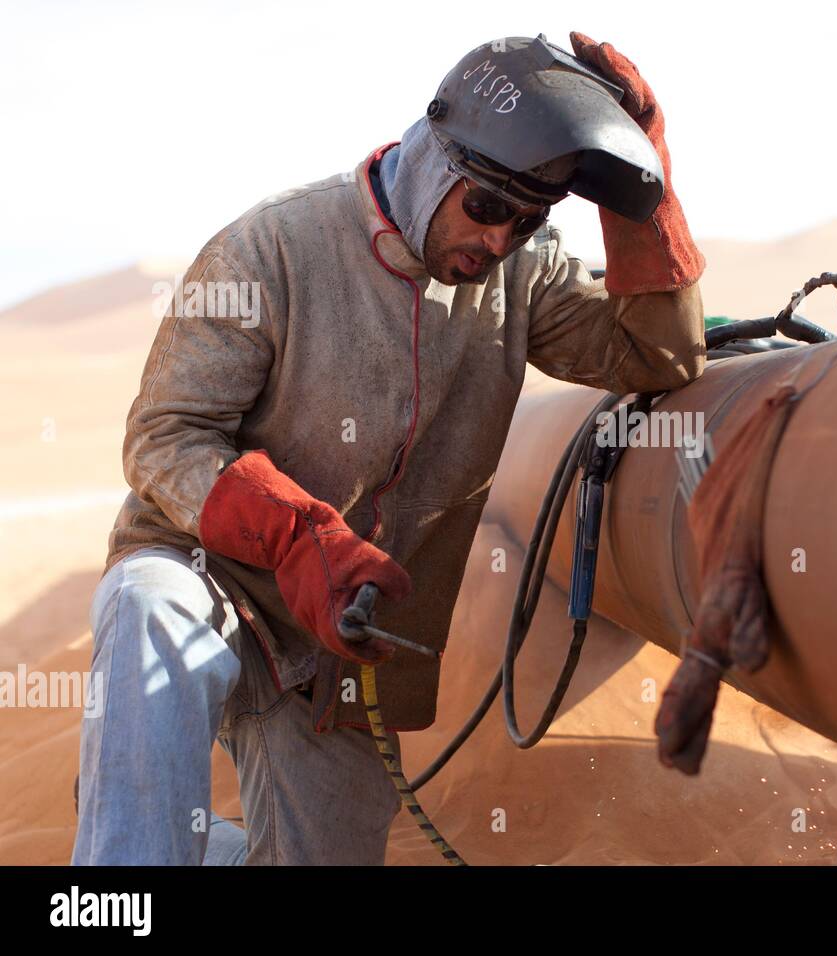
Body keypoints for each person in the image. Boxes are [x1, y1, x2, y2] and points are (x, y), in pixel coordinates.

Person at [72, 32, 706, 865]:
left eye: (527, 221)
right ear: (433, 157)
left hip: (346, 642)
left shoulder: (524, 274)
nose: (499, 239)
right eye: (485, 205)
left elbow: (656, 357)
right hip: (208, 575)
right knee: (149, 614)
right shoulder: (270, 249)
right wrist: (300, 535)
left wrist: (644, 199)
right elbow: (164, 437)